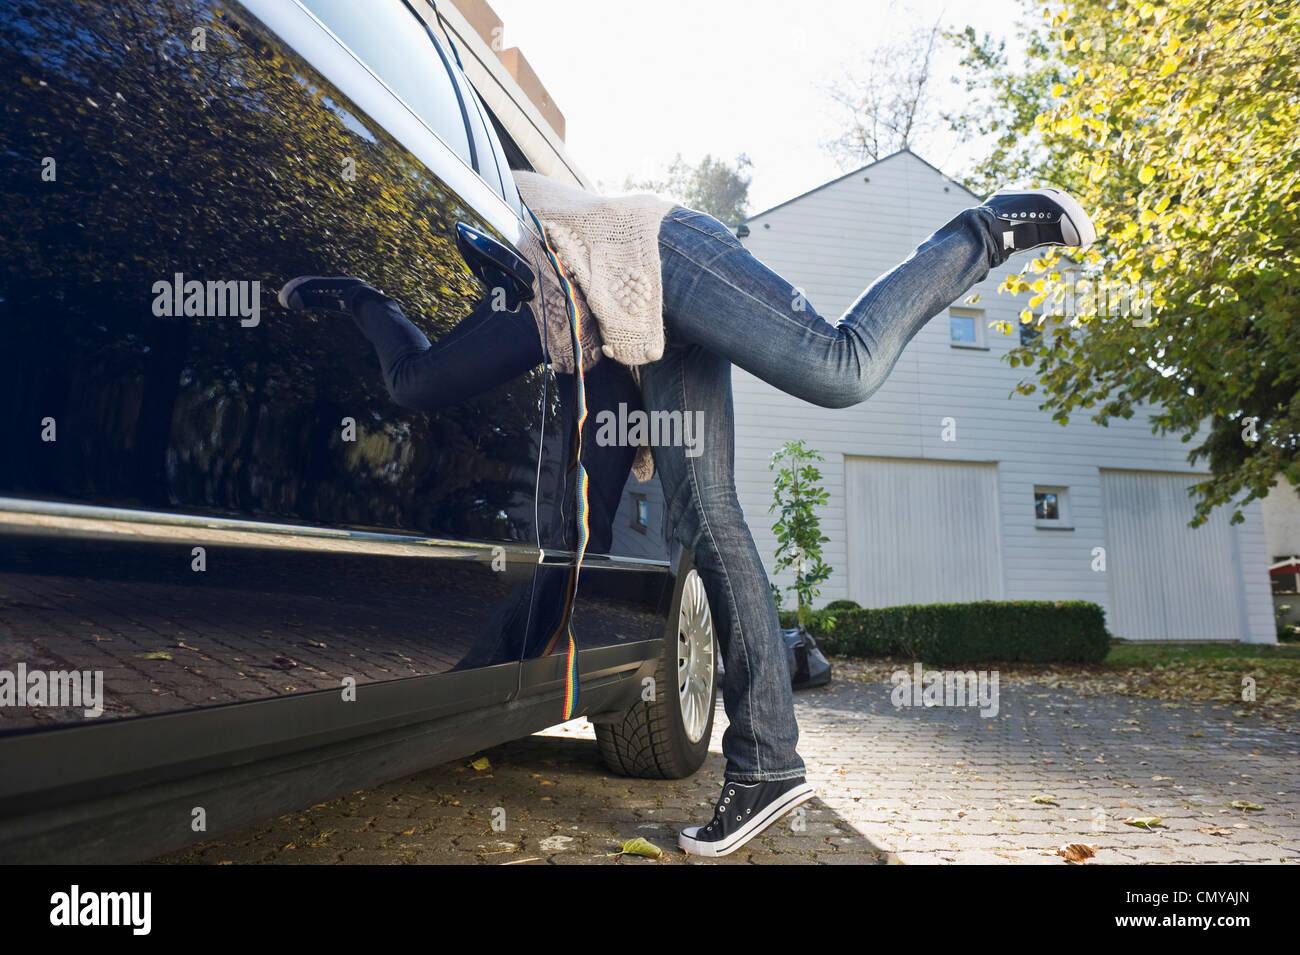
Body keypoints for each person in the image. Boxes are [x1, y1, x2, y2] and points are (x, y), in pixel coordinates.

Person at [279, 173, 1096, 858]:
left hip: (661, 247)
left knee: (839, 367)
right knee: (700, 512)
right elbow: (570, 533)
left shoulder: (529, 248)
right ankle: (769, 764)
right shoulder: (559, 337)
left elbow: (532, 211)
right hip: (646, 315)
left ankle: (988, 228)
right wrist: (457, 700)